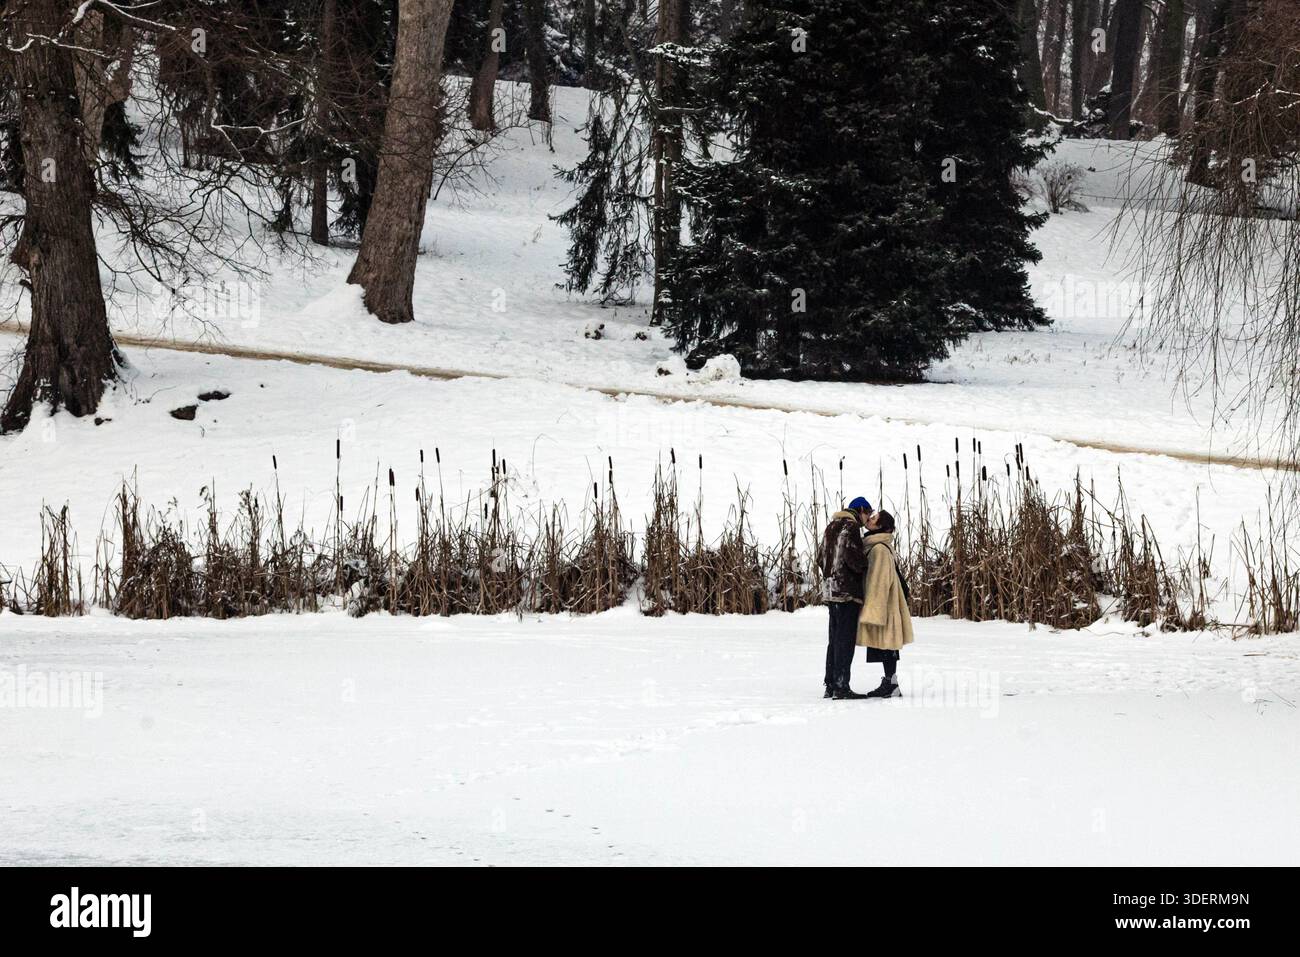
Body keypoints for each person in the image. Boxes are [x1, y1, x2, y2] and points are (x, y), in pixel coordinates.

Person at [857, 509, 914, 698]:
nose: (869, 519)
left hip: (884, 604)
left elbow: (879, 581)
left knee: (887, 642)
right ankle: (891, 682)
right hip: (886, 603)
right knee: (886, 643)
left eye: (874, 518)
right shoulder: (878, 545)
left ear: (880, 526)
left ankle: (891, 683)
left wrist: (873, 609)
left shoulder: (879, 548)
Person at [820, 496, 872, 700]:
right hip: (846, 592)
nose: (868, 518)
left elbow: (819, 556)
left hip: (830, 591)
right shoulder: (851, 528)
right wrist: (864, 565)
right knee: (845, 640)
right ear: (860, 510)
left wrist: (829, 575)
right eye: (867, 513)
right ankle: (842, 686)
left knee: (833, 639)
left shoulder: (831, 527)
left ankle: (830, 684)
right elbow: (853, 558)